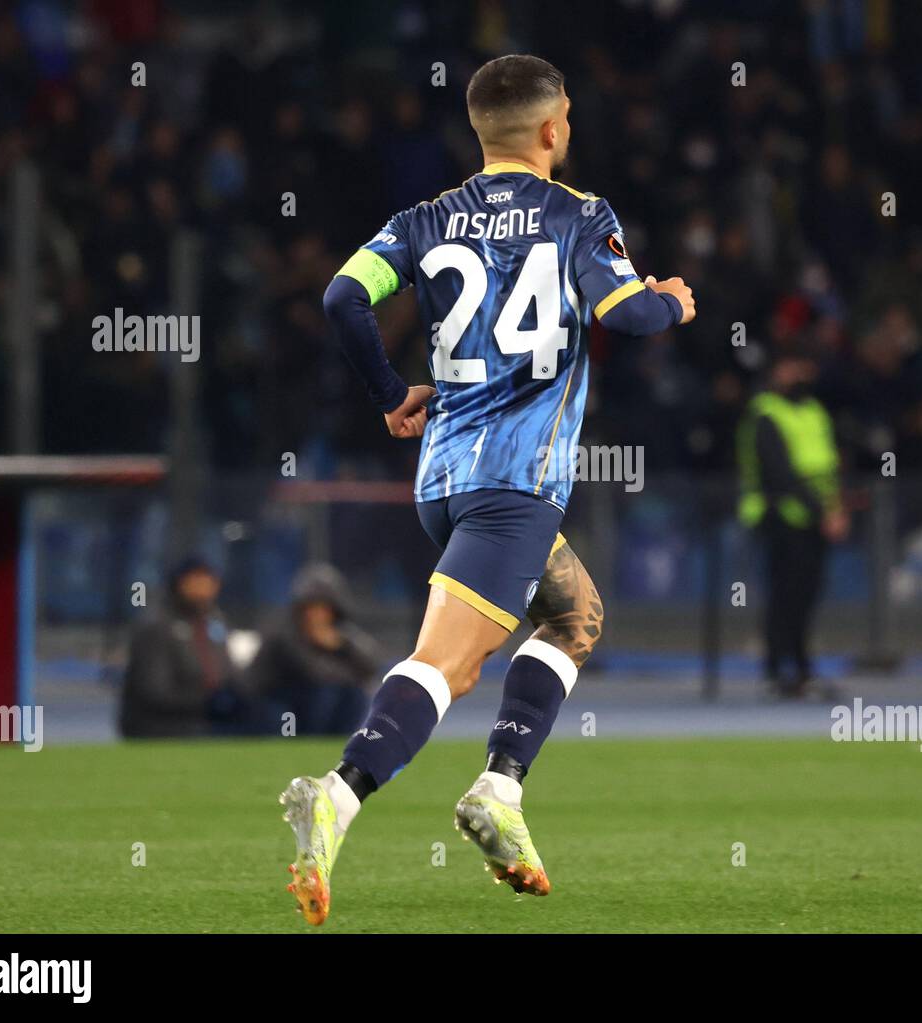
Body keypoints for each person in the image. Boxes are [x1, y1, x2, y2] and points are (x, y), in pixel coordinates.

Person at [280, 54, 696, 924]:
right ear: (552, 129)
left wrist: (392, 395)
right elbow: (628, 316)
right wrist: (672, 299)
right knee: (447, 665)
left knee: (575, 613)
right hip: (515, 481)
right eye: (568, 119)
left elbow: (341, 298)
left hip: (445, 477)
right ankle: (336, 794)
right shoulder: (581, 214)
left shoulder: (426, 219)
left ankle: (499, 791)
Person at [737, 353, 848, 699]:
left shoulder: (814, 410)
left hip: (817, 518)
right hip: (780, 515)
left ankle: (801, 669)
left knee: (805, 595)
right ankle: (777, 669)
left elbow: (828, 464)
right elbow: (779, 473)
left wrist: (836, 507)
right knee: (784, 595)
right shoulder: (766, 412)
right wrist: (824, 511)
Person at [246, 563, 380, 734]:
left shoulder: (341, 633)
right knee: (325, 694)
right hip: (277, 700)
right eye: (312, 608)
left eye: (324, 608)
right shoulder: (284, 632)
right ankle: (311, 739)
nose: (317, 615)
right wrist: (331, 649)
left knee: (354, 695)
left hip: (313, 698)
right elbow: (313, 672)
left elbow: (372, 665)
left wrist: (343, 645)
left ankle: (336, 742)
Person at [119, 556, 236, 738]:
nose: (203, 590)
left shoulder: (215, 621)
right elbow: (154, 692)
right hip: (161, 725)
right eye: (196, 582)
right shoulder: (156, 626)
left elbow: (228, 671)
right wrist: (206, 703)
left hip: (210, 720)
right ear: (179, 584)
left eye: (208, 583)